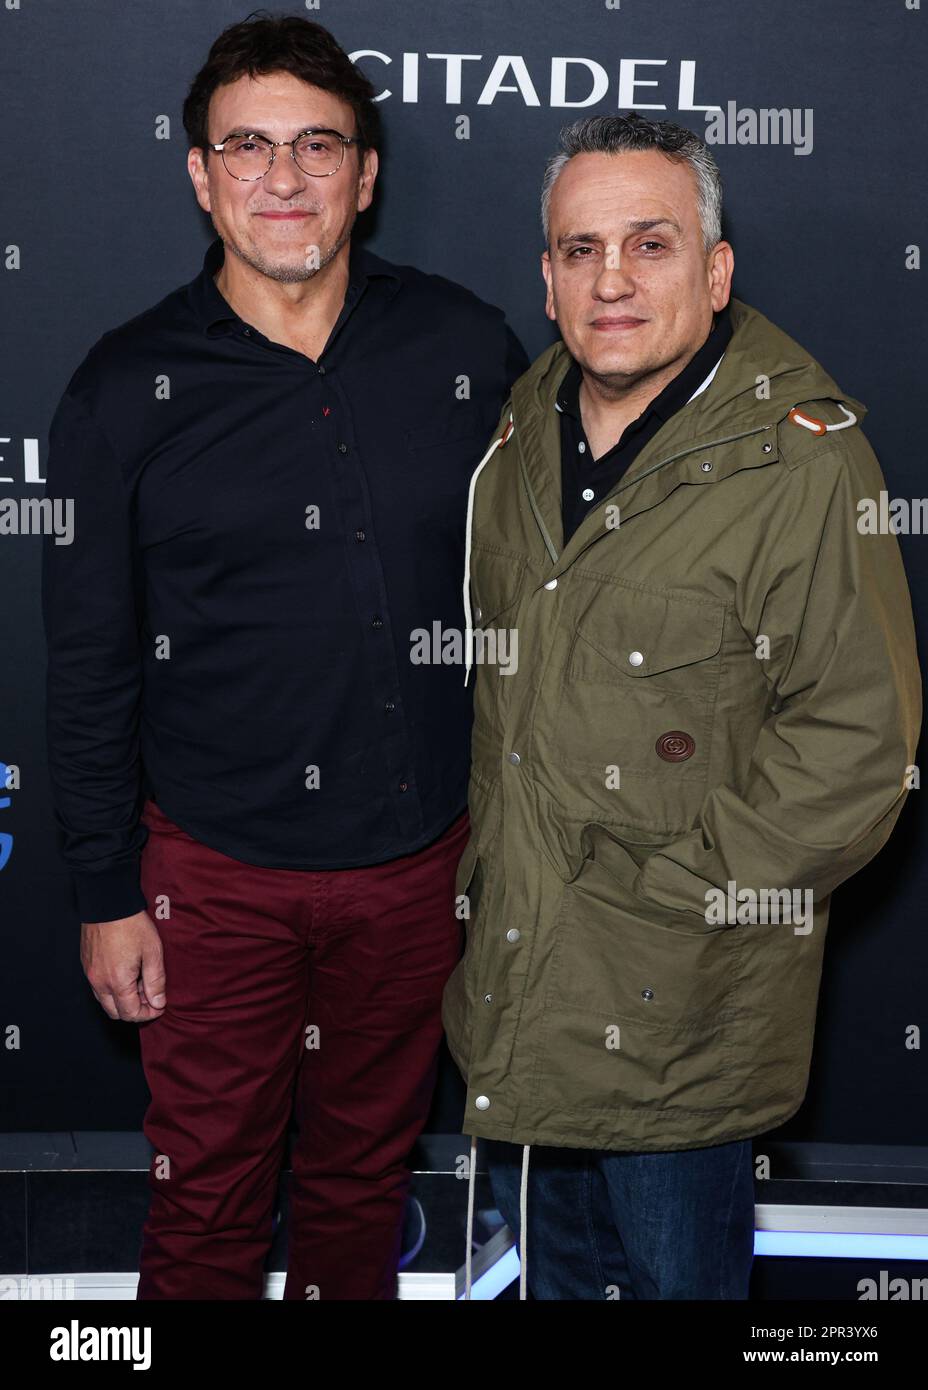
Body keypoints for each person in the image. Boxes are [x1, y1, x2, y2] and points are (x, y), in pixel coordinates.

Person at [41, 14, 527, 1301]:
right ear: (199, 175)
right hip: (213, 880)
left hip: (422, 869)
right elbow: (88, 662)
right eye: (247, 146)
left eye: (319, 144)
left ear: (367, 173)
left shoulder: (468, 348)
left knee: (362, 1185)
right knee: (202, 1202)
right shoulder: (120, 391)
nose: (285, 178)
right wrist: (104, 891)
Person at [442, 112, 922, 1300]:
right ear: (546, 280)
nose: (611, 280)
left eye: (650, 245)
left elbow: (859, 743)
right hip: (520, 999)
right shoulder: (515, 431)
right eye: (578, 250)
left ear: (713, 271)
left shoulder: (800, 462)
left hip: (678, 1015)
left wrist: (682, 901)